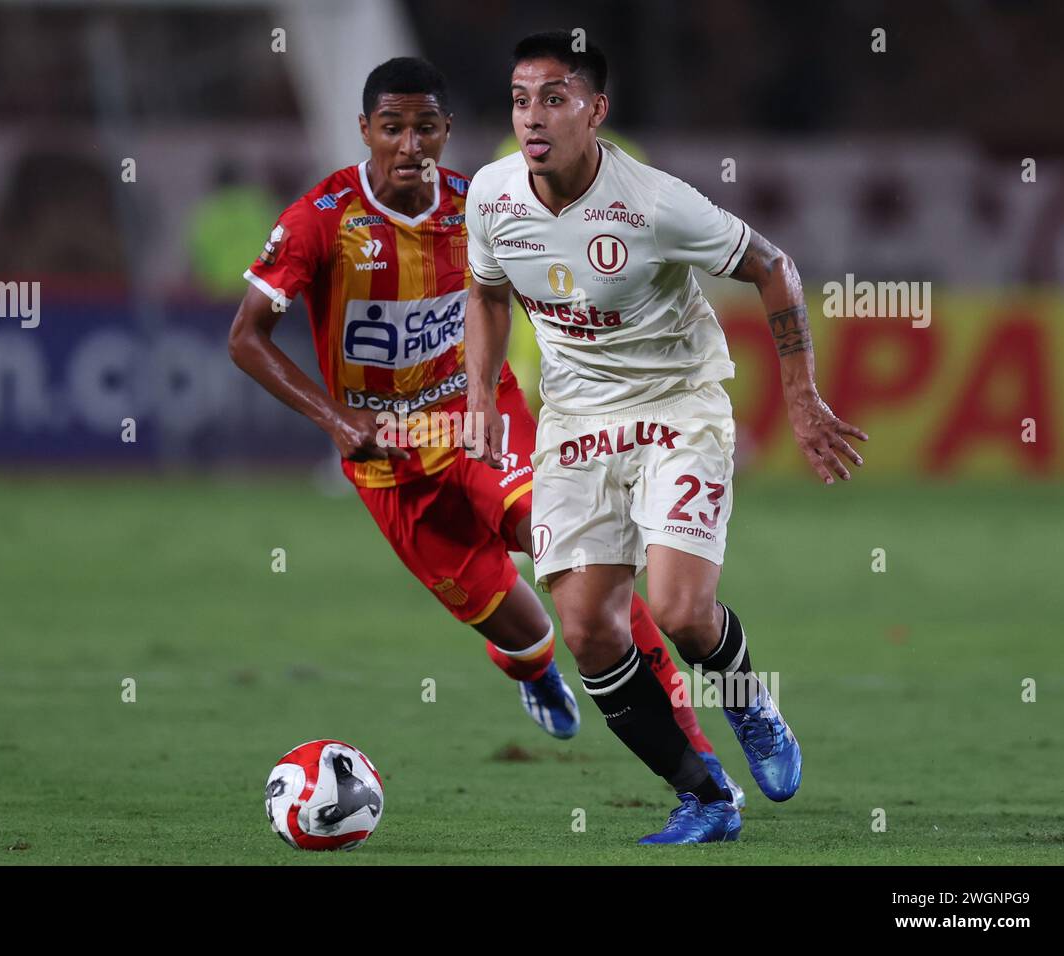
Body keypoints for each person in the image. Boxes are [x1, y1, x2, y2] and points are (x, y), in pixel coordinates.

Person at [229, 56, 740, 801]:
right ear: (365, 130)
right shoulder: (321, 219)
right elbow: (247, 337)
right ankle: (533, 671)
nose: (411, 145)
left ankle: (696, 758)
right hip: (387, 463)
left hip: (480, 424)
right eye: (394, 128)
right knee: (520, 627)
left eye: (426, 128)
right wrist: (338, 421)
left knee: (580, 561)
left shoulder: (480, 207)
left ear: (447, 131)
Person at [464, 33, 867, 844]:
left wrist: (800, 396)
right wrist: (479, 391)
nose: (532, 117)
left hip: (676, 405)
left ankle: (751, 707)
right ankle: (704, 797)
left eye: (554, 97)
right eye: (519, 98)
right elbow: (486, 291)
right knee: (587, 629)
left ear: (595, 110)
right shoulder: (491, 194)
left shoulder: (653, 201)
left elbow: (772, 265)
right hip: (575, 420)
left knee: (681, 612)